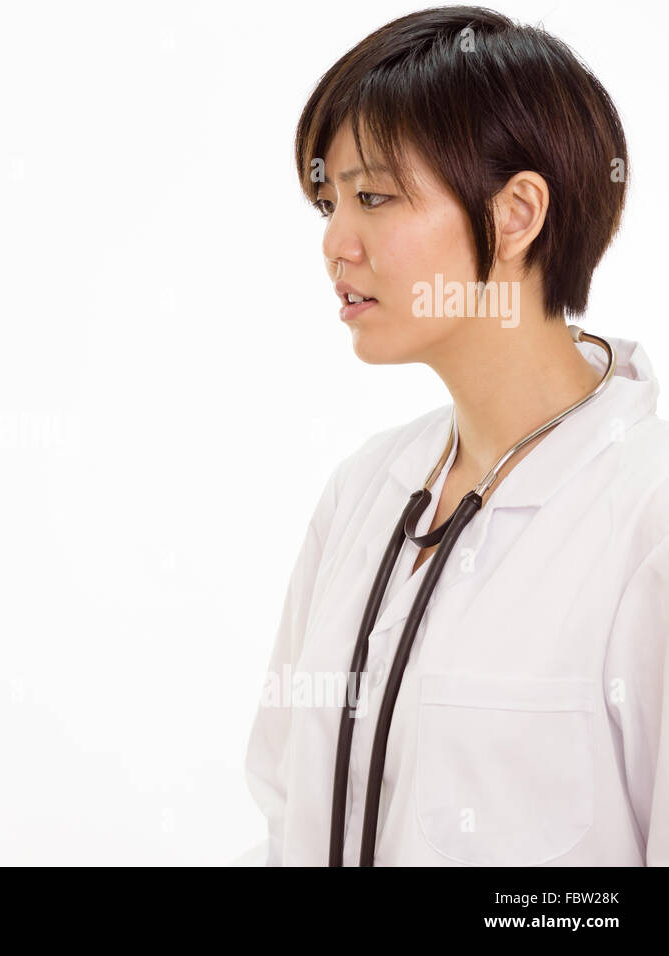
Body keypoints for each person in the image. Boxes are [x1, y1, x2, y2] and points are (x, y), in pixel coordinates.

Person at [244, 6, 669, 865]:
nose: (334, 241)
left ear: (515, 215)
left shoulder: (647, 514)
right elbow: (283, 807)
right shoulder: (363, 492)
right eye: (328, 202)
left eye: (372, 197)